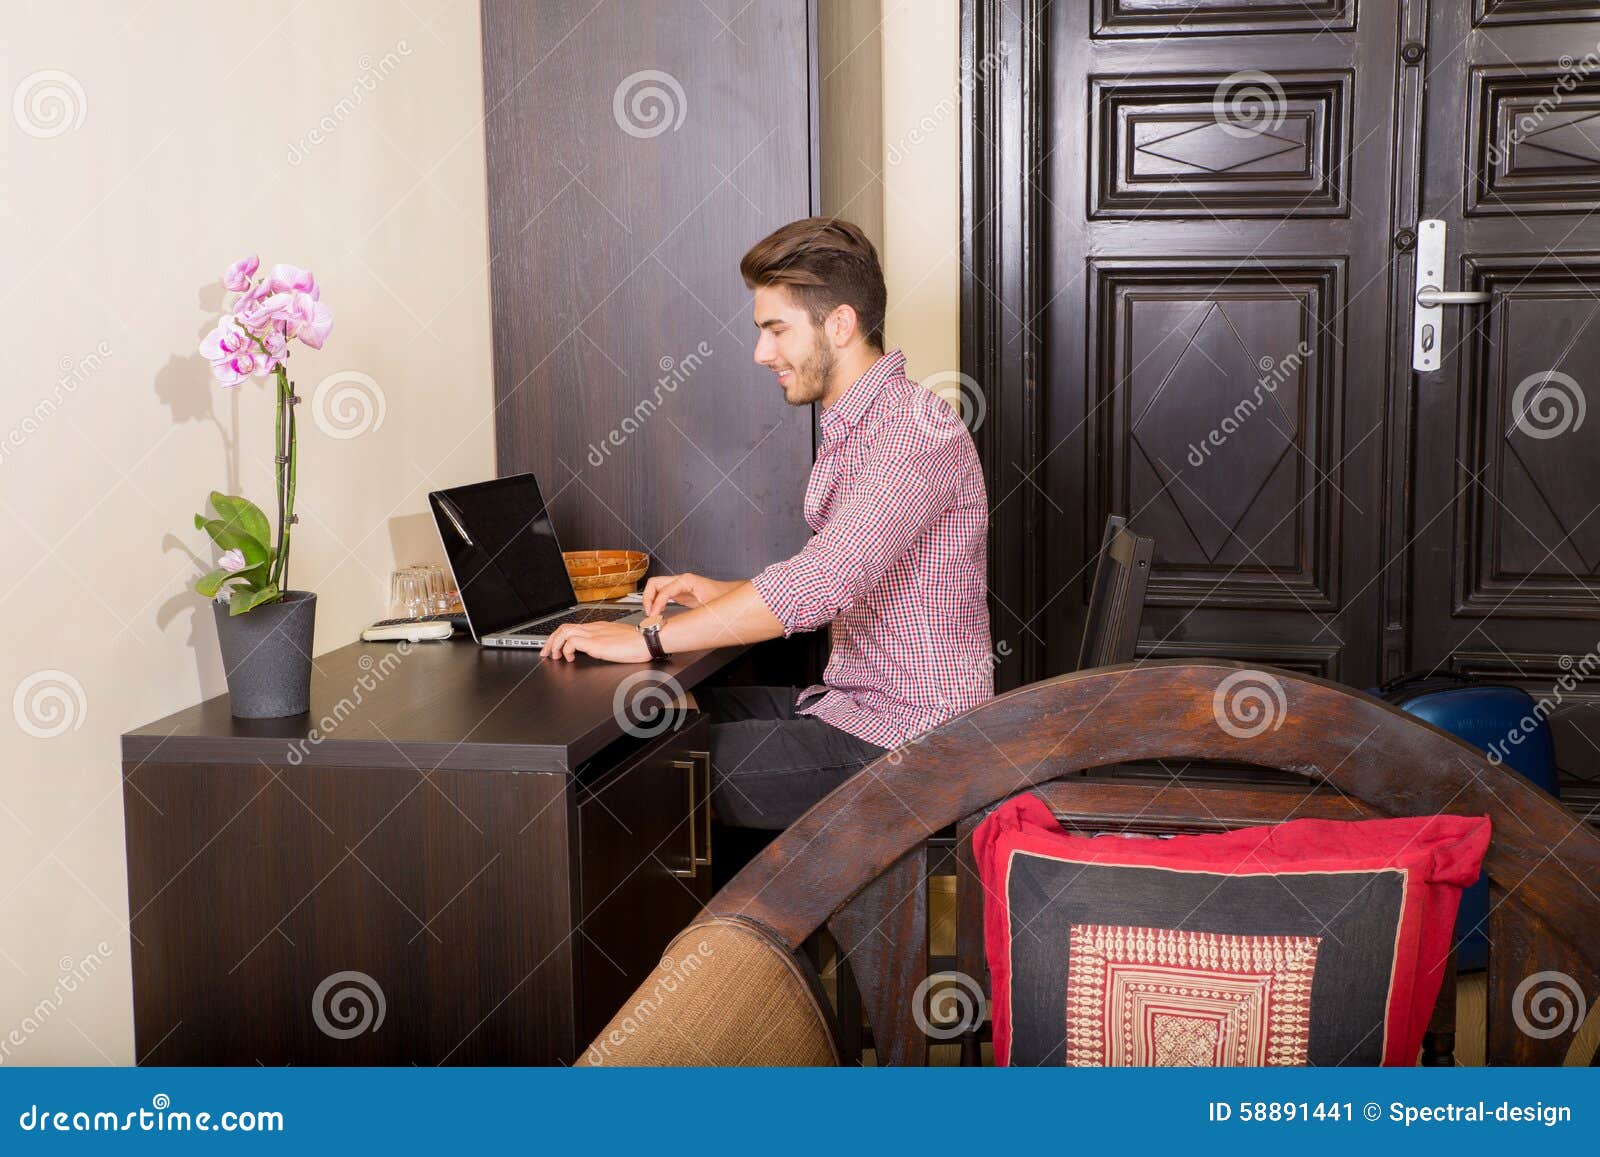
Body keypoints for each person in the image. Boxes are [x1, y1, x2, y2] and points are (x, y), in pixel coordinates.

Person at [542, 217, 993, 830]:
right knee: (663, 717)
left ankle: (737, 927)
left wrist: (642, 639)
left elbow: (823, 582)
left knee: (643, 771)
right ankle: (743, 926)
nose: (761, 353)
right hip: (857, 708)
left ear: (839, 323)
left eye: (776, 330)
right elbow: (849, 577)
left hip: (910, 744)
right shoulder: (865, 423)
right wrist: (723, 595)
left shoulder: (909, 430)